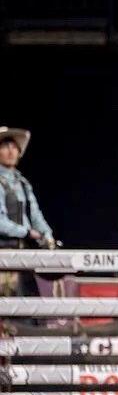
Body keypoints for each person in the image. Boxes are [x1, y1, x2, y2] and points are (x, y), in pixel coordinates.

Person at [0, 126, 55, 297]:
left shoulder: (22, 183)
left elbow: (35, 215)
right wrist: (26, 232)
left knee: (29, 305)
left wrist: (47, 235)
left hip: (23, 253)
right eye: (5, 146)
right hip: (3, 254)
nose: (11, 151)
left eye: (14, 147)